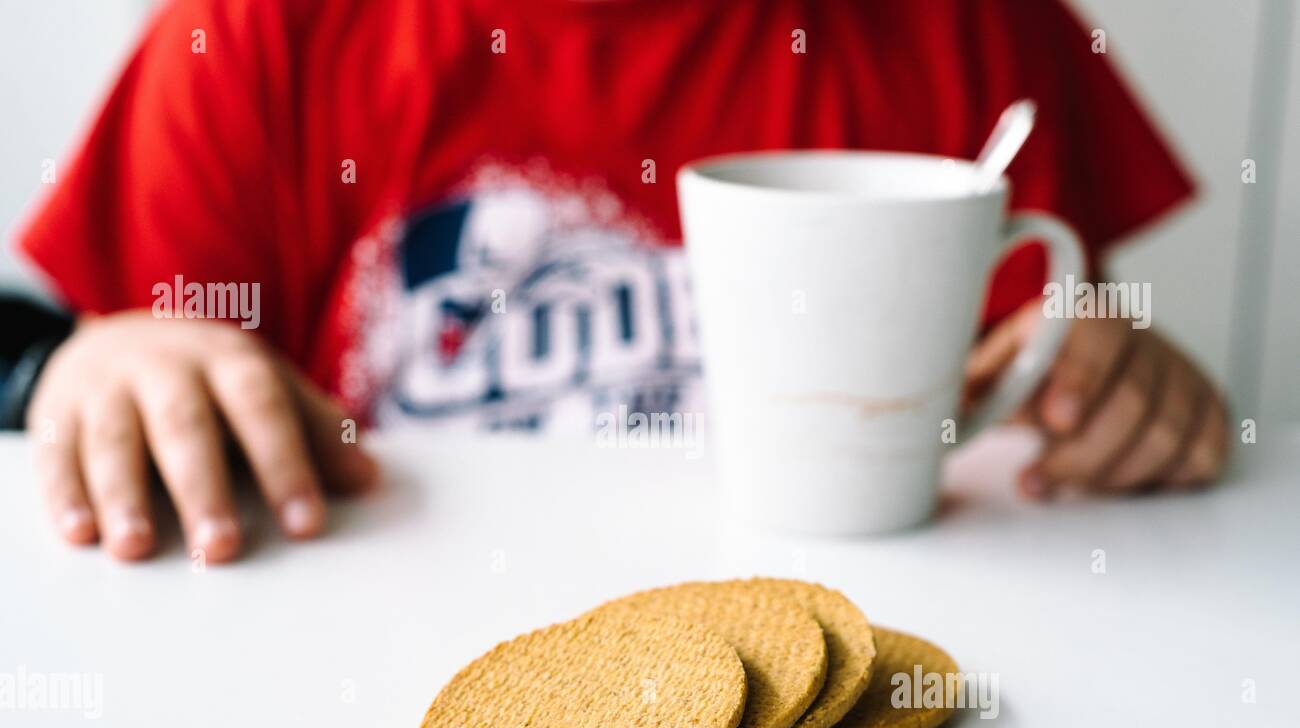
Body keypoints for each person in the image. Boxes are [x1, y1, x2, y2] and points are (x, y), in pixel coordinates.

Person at [13, 0, 1227, 564]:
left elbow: (1068, 351)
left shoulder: (969, 30)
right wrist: (85, 361)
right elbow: (121, 379)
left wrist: (1119, 392)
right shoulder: (255, 38)